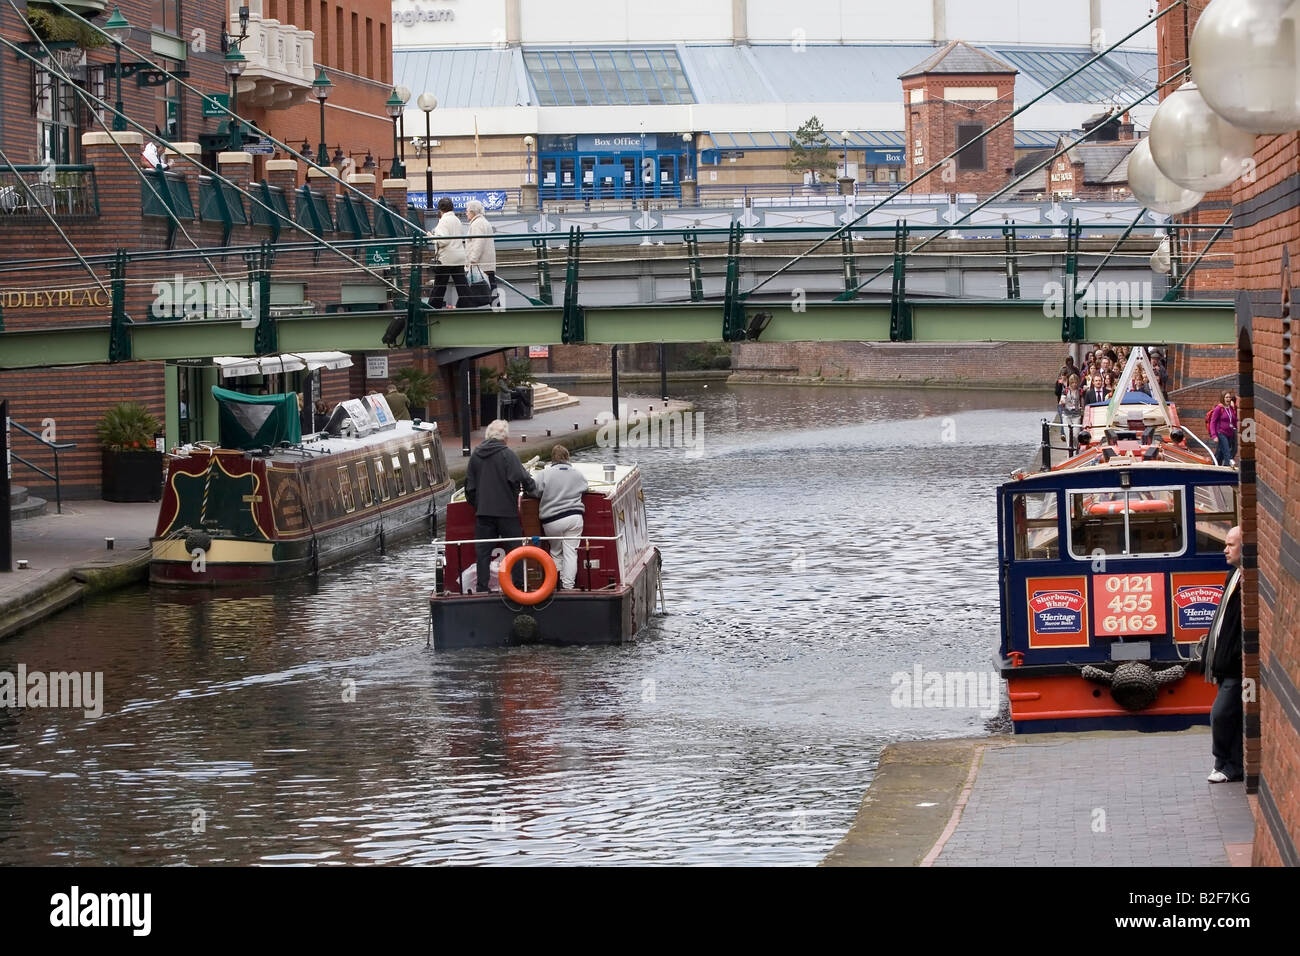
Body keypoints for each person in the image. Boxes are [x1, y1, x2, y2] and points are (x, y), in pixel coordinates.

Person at [465, 419, 537, 593]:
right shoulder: (507, 454)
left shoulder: (475, 456)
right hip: (506, 512)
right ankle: (518, 586)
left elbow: (469, 489)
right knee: (515, 550)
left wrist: (479, 505)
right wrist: (534, 490)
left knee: (483, 553)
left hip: (483, 513)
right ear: (504, 438)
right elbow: (522, 477)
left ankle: (482, 589)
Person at [1204, 526, 1243, 783]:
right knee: (1232, 717)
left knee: (1220, 714)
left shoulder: (1248, 580)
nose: (1224, 549)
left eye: (1230, 544)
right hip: (1224, 662)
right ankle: (1230, 765)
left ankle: (1227, 764)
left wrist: (1235, 655)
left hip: (1234, 665)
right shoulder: (1233, 576)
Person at [528, 444, 589, 590]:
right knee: (570, 553)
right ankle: (568, 586)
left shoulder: (544, 474)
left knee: (556, 552)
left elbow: (534, 492)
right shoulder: (577, 474)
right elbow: (585, 488)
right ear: (568, 457)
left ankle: (556, 585)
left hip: (552, 520)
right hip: (574, 518)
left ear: (552, 459)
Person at [427, 197, 470, 310]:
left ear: (440, 209)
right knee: (461, 284)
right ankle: (468, 305)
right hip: (459, 256)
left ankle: (433, 307)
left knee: (440, 285)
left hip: (446, 258)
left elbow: (443, 240)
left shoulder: (443, 221)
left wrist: (431, 237)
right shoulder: (457, 220)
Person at [464, 198, 498, 305]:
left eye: (467, 211)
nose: (466, 214)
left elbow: (478, 243)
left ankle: (465, 308)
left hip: (481, 265)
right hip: (486, 263)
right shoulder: (483, 222)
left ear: (472, 212)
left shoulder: (477, 224)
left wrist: (472, 260)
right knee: (492, 289)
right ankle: (498, 310)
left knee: (486, 289)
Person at [1208, 390, 1238, 467]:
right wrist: (1214, 435)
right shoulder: (1219, 408)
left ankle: (1215, 466)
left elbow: (1234, 420)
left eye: (1229, 397)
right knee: (1227, 450)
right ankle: (1229, 465)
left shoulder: (1231, 408)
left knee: (1220, 452)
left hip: (1230, 434)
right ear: (1223, 398)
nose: (1228, 399)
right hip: (1221, 433)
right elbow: (1213, 422)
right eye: (1226, 397)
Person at [1058, 372, 1083, 446]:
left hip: (1076, 415)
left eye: (1076, 383)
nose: (1074, 384)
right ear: (1070, 382)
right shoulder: (1065, 390)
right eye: (1072, 383)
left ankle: (1075, 451)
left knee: (1076, 434)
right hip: (1066, 415)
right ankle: (1070, 452)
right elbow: (1062, 400)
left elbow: (1082, 401)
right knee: (1068, 435)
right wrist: (1062, 402)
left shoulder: (1080, 391)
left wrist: (1082, 407)